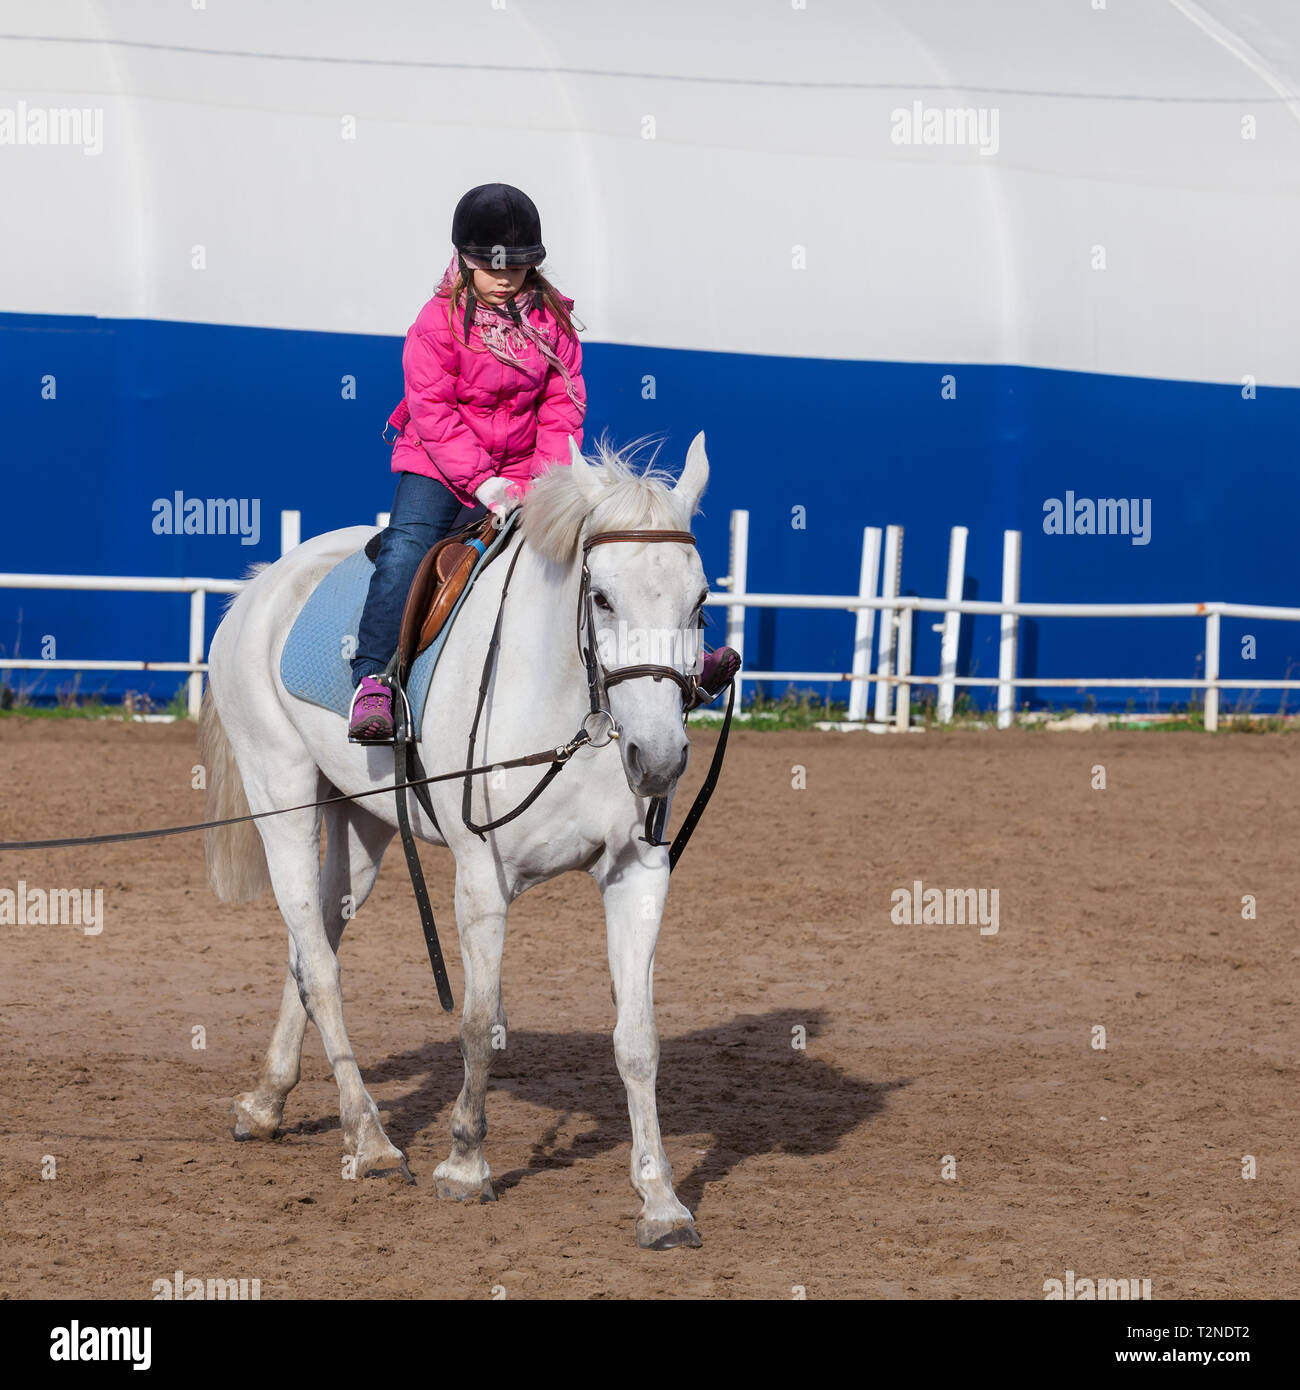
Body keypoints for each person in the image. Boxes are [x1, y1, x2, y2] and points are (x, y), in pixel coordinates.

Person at [348, 181, 739, 744]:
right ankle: (374, 681)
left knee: (606, 543)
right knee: (406, 548)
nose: (506, 276)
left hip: (531, 469)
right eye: (491, 265)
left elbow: (563, 406)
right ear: (464, 259)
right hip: (439, 466)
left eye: (519, 265)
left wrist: (539, 485)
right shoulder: (435, 324)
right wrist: (484, 483)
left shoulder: (554, 321)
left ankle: (676, 658)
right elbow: (432, 412)